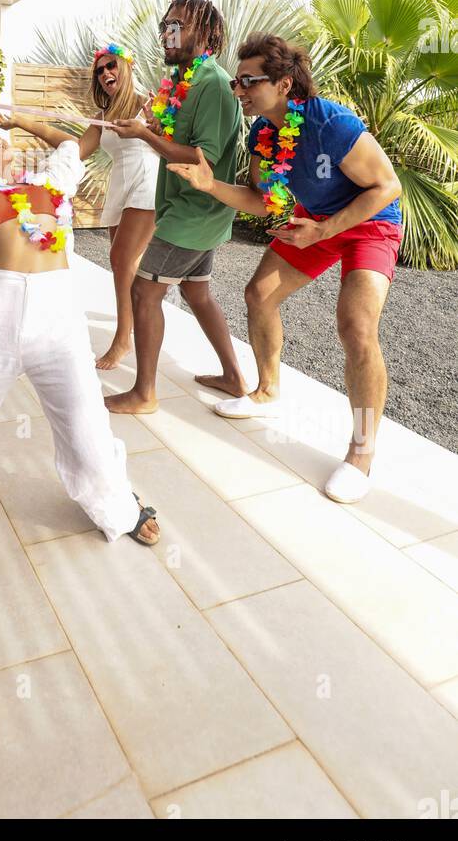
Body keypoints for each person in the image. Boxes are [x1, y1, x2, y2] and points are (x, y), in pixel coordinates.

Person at [0, 81, 160, 544]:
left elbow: (76, 144)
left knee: (85, 419)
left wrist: (20, 120)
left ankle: (117, 504)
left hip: (57, 309)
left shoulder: (47, 183)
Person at [167, 32, 403, 503]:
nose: (240, 90)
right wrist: (210, 185)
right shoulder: (265, 133)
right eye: (238, 81)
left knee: (356, 327)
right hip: (315, 223)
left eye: (249, 80)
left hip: (368, 222)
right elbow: (259, 199)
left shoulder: (331, 121)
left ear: (285, 81)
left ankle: (361, 451)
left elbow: (387, 186)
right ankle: (266, 392)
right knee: (259, 294)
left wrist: (324, 230)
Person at [103, 0, 247, 415]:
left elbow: (202, 157)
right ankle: (234, 377)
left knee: (143, 292)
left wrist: (146, 137)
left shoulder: (213, 85)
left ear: (204, 34)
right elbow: (176, 140)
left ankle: (144, 394)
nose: (167, 33)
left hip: (195, 212)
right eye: (165, 25)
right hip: (185, 208)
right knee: (197, 293)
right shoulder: (185, 81)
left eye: (177, 25)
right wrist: (150, 127)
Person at [77, 44, 159, 369]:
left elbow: (173, 144)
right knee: (125, 267)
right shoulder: (101, 117)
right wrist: (26, 125)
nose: (106, 73)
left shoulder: (147, 104)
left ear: (126, 68)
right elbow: (77, 149)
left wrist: (156, 120)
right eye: (100, 70)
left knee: (121, 260)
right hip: (120, 187)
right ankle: (143, 324)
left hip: (147, 181)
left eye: (112, 66)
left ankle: (124, 339)